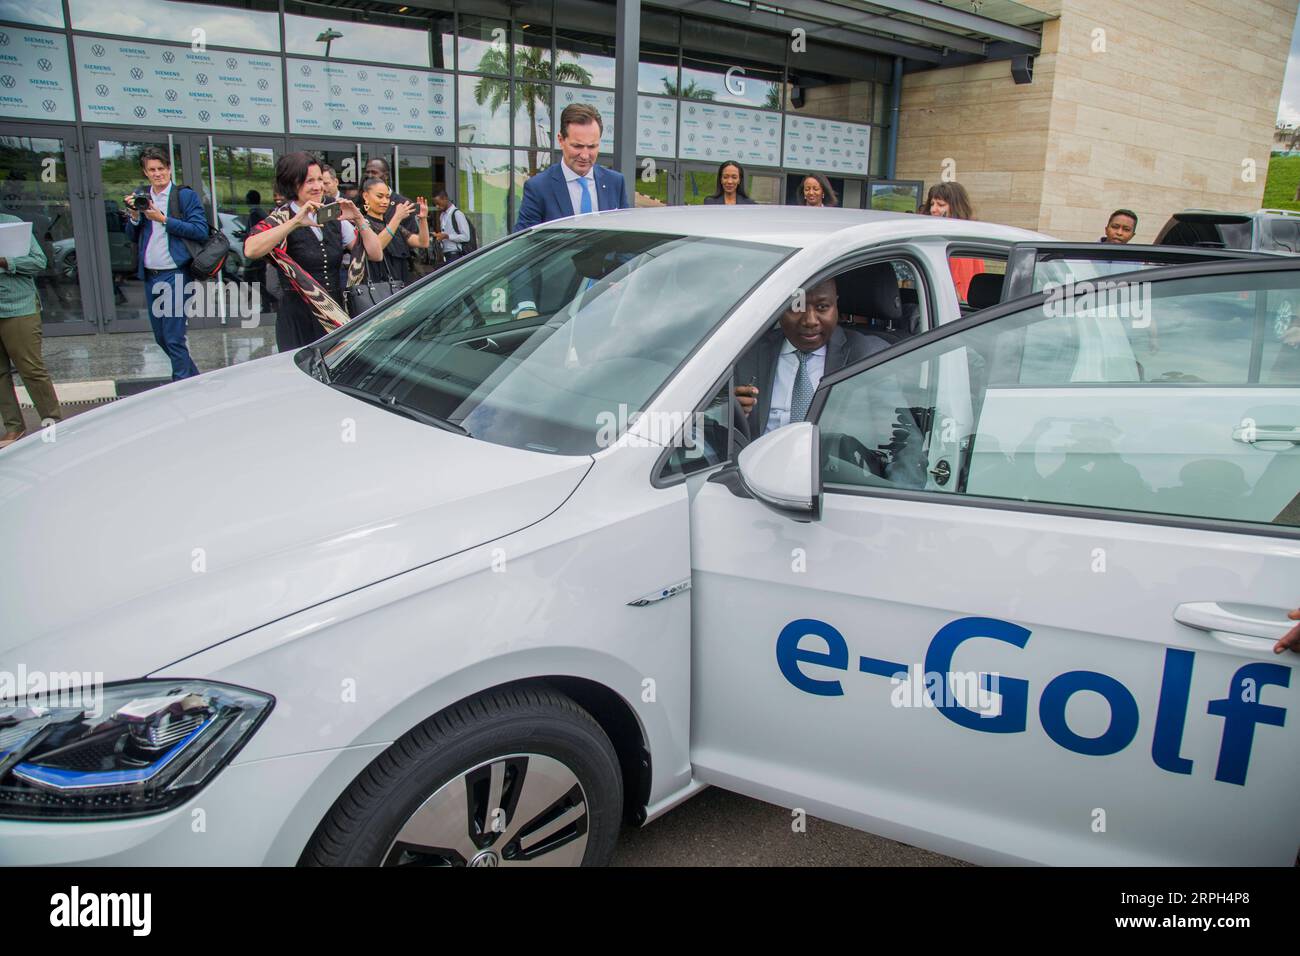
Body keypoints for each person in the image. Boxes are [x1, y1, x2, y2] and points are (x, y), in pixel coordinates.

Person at [242, 152, 384, 351]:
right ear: (292, 183)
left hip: (333, 313)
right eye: (309, 181)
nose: (318, 186)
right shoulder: (282, 217)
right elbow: (251, 249)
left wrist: (359, 219)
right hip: (297, 317)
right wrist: (296, 222)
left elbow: (376, 254)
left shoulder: (332, 213)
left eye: (319, 179)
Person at [733, 277, 889, 437]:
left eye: (822, 307)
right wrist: (730, 413)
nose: (810, 321)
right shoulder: (746, 353)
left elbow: (900, 438)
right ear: (779, 308)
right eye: (796, 307)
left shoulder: (871, 356)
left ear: (836, 305)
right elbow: (714, 421)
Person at [121, 146, 208, 380]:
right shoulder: (143, 196)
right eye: (152, 170)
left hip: (176, 275)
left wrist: (163, 219)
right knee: (161, 337)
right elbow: (132, 235)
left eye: (161, 168)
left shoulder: (183, 196)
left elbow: (200, 230)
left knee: (173, 337)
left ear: (169, 169)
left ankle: (180, 387)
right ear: (145, 172)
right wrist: (135, 216)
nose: (157, 173)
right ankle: (195, 380)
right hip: (151, 275)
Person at [513, 104, 632, 231]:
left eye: (592, 146)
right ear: (561, 140)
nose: (585, 155)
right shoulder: (538, 188)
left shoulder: (615, 182)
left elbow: (626, 238)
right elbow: (524, 243)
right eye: (577, 146)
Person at [0, 213, 61, 448]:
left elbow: (38, 262)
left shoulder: (11, 223)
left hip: (19, 307)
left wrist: (6, 262)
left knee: (31, 368)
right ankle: (14, 428)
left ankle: (52, 422)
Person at [358, 177, 429, 285]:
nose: (385, 201)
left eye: (387, 197)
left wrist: (423, 219)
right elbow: (376, 247)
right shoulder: (363, 224)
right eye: (379, 196)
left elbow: (422, 242)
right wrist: (397, 217)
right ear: (366, 196)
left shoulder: (395, 225)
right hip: (379, 287)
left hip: (401, 283)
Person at [925, 181, 983, 301]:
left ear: (956, 207)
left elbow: (958, 294)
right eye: (932, 204)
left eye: (940, 205)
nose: (933, 209)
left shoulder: (957, 242)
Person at [432, 190, 472, 263]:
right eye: (435, 204)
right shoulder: (442, 215)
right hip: (446, 255)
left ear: (445, 199)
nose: (437, 206)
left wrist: (447, 236)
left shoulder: (457, 214)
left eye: (438, 203)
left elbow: (466, 237)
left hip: (456, 255)